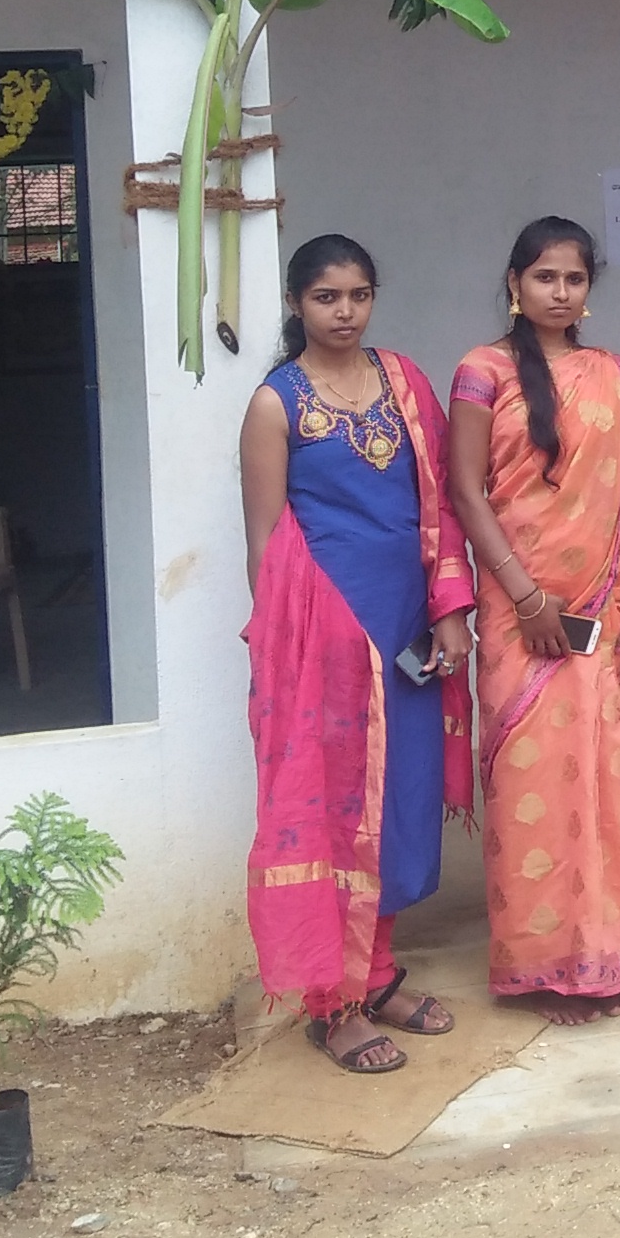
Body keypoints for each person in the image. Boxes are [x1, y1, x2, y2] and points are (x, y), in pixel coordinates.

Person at [239, 235, 473, 1074]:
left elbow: (440, 505)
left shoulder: (404, 382)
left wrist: (451, 612)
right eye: (327, 298)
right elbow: (267, 544)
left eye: (359, 295)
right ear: (297, 304)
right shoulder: (276, 404)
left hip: (406, 629)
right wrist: (283, 658)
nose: (345, 313)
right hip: (325, 643)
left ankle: (375, 977)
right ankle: (330, 1004)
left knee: (398, 807)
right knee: (336, 813)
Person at [448, 218, 620, 1022]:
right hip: (521, 614)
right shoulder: (482, 371)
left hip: (602, 603)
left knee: (605, 773)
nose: (560, 292)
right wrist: (525, 596)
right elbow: (466, 493)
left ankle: (611, 951)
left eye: (574, 279)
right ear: (516, 283)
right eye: (545, 277)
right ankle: (545, 964)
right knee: (532, 780)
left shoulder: (614, 373)